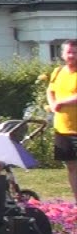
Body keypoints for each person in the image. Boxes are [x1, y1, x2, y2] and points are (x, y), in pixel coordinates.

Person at [47, 39, 77, 202]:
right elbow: (50, 91)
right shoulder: (58, 72)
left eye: (75, 52)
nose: (71, 55)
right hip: (63, 128)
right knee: (71, 167)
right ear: (63, 54)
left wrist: (62, 102)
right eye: (69, 52)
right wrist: (52, 103)